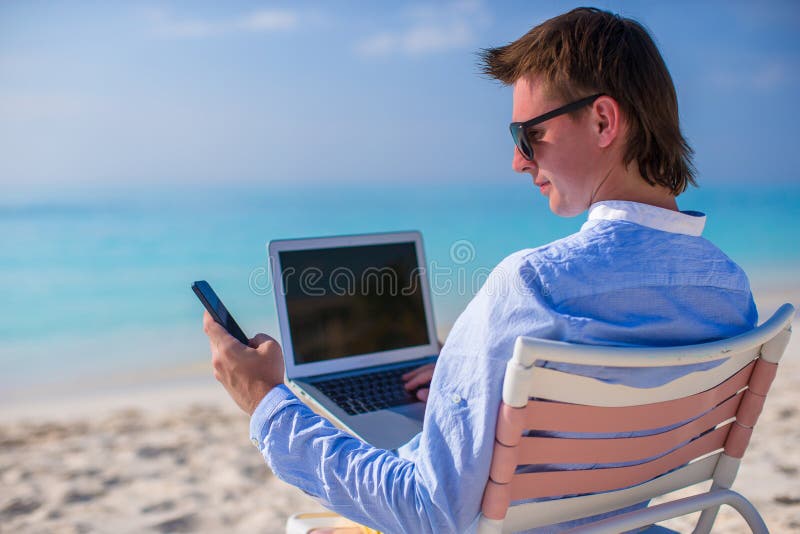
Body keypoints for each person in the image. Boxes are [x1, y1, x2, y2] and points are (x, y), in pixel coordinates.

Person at [203, 7, 757, 533]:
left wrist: (266, 402)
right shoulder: (728, 290)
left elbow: (427, 513)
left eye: (528, 134)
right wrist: (479, 372)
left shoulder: (535, 287)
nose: (518, 160)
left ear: (604, 120)